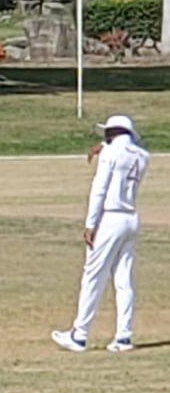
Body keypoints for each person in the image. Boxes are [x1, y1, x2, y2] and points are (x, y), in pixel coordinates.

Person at [52, 114, 149, 353]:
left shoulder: (111, 154)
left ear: (112, 133)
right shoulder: (142, 156)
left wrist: (90, 223)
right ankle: (123, 336)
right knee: (123, 279)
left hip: (110, 217)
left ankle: (79, 335)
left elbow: (99, 189)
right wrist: (105, 147)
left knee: (93, 276)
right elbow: (126, 149)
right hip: (131, 217)